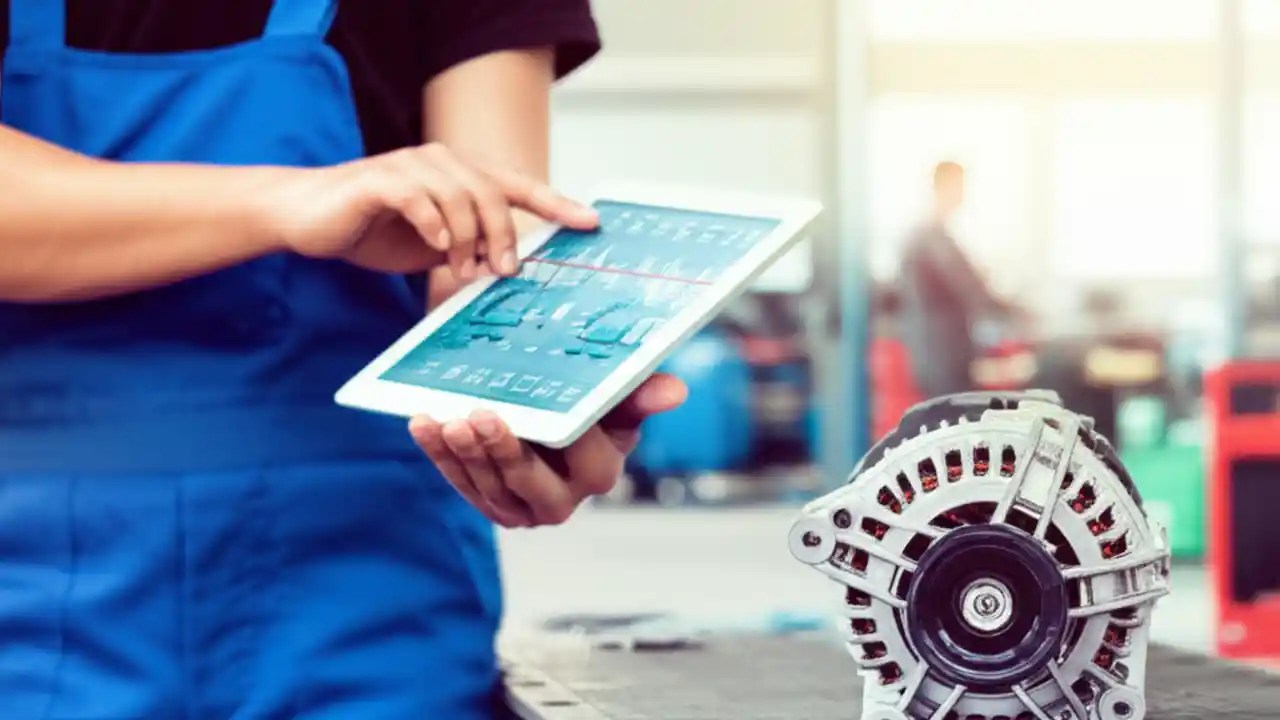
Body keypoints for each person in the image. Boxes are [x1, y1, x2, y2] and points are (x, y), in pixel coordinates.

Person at [0, 2, 687, 719]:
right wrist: (293, 201)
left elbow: (490, 233)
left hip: (367, 590)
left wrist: (528, 395)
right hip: (28, 583)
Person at [897, 160, 1015, 399]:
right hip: (943, 356)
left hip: (933, 352)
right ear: (945, 186)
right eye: (960, 186)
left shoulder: (928, 234)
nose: (963, 194)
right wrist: (1014, 311)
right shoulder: (931, 236)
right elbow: (969, 287)